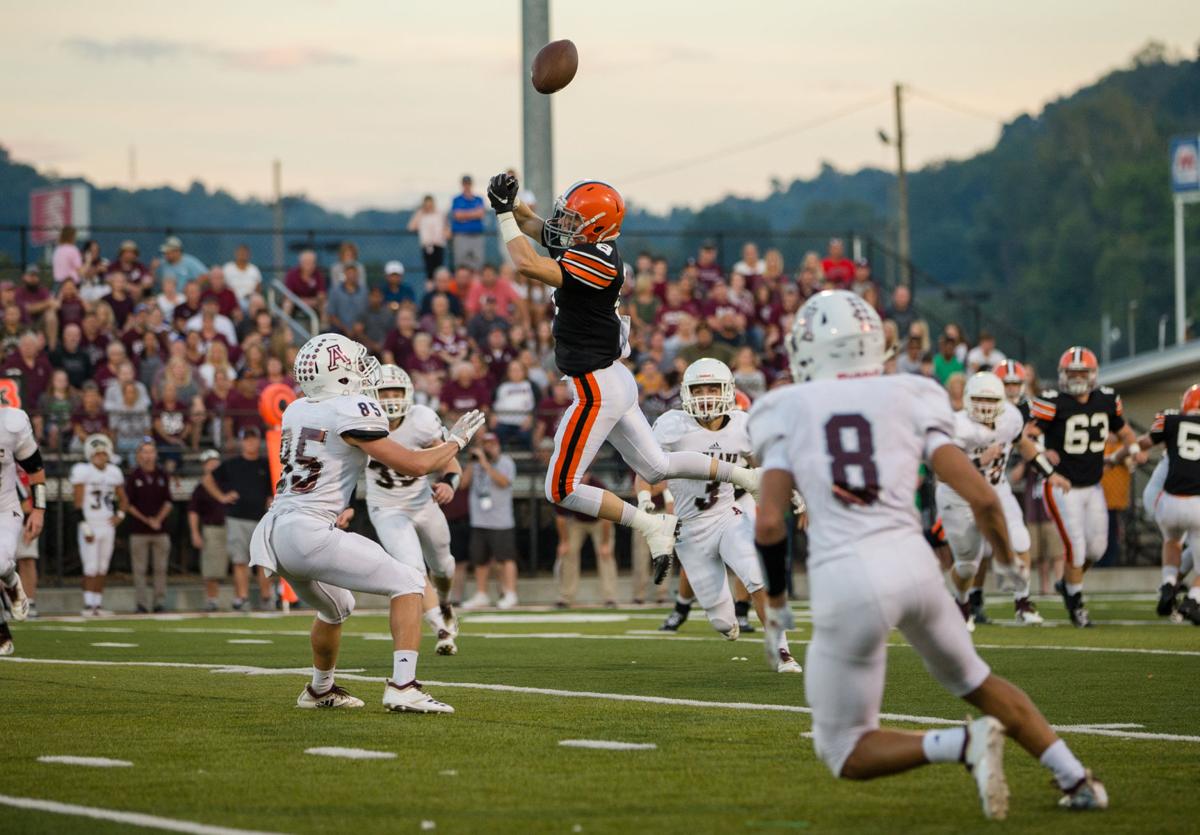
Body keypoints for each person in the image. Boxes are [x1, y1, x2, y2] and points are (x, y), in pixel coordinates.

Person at [749, 289, 1108, 817]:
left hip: (847, 577)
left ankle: (959, 745)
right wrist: (1009, 564)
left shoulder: (785, 406)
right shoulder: (910, 393)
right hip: (916, 567)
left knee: (844, 748)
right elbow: (984, 496)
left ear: (806, 350)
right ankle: (1076, 777)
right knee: (977, 681)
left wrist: (777, 601)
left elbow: (771, 519)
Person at [487, 172, 759, 568]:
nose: (562, 225)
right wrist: (509, 202)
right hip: (611, 378)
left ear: (594, 229)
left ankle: (649, 525)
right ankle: (746, 478)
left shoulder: (598, 262)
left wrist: (500, 215)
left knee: (560, 488)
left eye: (571, 220)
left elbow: (527, 264)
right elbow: (534, 224)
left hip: (597, 386)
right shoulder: (586, 243)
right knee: (657, 466)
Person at [248, 333, 485, 712]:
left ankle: (319, 689)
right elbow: (415, 464)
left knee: (336, 606)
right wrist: (456, 441)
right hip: (309, 532)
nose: (361, 370)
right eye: (353, 365)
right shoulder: (349, 409)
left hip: (276, 531)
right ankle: (403, 687)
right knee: (409, 581)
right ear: (338, 375)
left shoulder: (296, 409)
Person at [634, 358, 801, 673]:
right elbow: (646, 471)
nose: (707, 395)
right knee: (724, 623)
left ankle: (782, 651)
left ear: (728, 391)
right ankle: (728, 620)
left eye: (713, 388)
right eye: (699, 389)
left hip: (727, 516)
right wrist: (645, 501)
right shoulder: (672, 425)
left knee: (755, 576)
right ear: (686, 393)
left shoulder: (742, 424)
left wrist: (791, 491)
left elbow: (764, 463)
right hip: (690, 531)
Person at [1029, 348, 1143, 627]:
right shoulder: (1053, 402)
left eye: (1082, 373)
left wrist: (1135, 448)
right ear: (1062, 376)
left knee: (1097, 549)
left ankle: (1068, 583)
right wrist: (1044, 453)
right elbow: (1029, 436)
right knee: (1076, 548)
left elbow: (1124, 430)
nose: (1077, 378)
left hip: (1093, 486)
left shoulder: (1106, 399)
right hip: (1062, 486)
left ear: (1093, 375)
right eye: (1072, 373)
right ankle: (1077, 603)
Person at [935, 372, 1057, 629]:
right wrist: (980, 460)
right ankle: (961, 603)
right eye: (979, 399)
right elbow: (942, 471)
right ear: (968, 400)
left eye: (991, 401)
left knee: (1021, 539)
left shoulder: (1011, 417)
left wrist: (1049, 472)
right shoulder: (957, 425)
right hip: (959, 495)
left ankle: (1023, 603)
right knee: (968, 564)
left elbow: (1022, 444)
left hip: (994, 489)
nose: (985, 407)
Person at [366, 366, 462, 655]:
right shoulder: (363, 423)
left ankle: (444, 603)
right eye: (385, 392)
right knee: (413, 567)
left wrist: (448, 483)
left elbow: (449, 459)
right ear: (372, 395)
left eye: (396, 392)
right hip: (387, 507)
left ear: (408, 393)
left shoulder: (421, 420)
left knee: (443, 565)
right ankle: (441, 627)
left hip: (422, 502)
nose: (391, 399)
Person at [1136, 386, 1200, 623]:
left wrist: (1125, 454)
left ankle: (1169, 584)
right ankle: (1193, 599)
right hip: (1194, 501)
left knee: (1175, 542)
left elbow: (1144, 443)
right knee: (1192, 543)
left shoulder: (1171, 421)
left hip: (1167, 501)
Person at [203, 427, 275, 610]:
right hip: (237, 518)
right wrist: (221, 497)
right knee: (240, 560)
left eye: (254, 439)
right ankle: (242, 597)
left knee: (263, 562)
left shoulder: (266, 464)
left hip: (261, 519)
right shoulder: (231, 464)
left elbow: (276, 485)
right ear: (242, 442)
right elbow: (208, 480)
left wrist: (272, 497)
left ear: (259, 441)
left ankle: (266, 597)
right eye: (247, 439)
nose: (251, 443)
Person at [0, 406, 46, 654]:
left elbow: (36, 470)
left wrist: (39, 510)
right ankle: (1, 633)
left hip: (5, 509)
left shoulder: (11, 423)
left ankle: (11, 580)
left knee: (0, 563)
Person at [460, 432, 518, 609]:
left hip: (500, 520)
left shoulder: (506, 462)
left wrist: (485, 465)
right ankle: (481, 593)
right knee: (480, 560)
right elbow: (462, 484)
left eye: (491, 444)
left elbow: (503, 482)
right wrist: (472, 463)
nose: (488, 448)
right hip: (479, 519)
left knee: (505, 558)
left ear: (497, 445)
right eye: (484, 445)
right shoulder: (475, 464)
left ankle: (510, 592)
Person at [72, 434, 126, 616]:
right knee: (90, 566)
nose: (100, 456)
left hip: (107, 524)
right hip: (90, 523)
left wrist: (120, 514)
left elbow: (124, 499)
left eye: (103, 453)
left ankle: (98, 604)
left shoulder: (114, 472)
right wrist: (84, 526)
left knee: (103, 566)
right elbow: (77, 502)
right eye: (97, 454)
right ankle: (88, 604)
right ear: (90, 454)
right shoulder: (83, 471)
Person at [124, 441, 173, 613]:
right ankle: (142, 603)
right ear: (139, 455)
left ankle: (159, 602)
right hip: (139, 530)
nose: (148, 455)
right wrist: (147, 520)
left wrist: (157, 519)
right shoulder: (133, 476)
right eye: (144, 452)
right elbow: (128, 504)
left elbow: (168, 501)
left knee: (161, 569)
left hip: (160, 529)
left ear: (156, 454)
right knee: (139, 570)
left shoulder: (163, 475)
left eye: (151, 452)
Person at [554, 473, 616, 608]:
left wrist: (605, 544)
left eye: (583, 475)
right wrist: (564, 542)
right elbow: (560, 518)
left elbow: (607, 517)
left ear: (588, 475)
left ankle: (609, 596)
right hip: (577, 521)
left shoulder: (599, 487)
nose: (581, 479)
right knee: (568, 552)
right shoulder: (565, 488)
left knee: (605, 554)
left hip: (600, 520)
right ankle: (566, 596)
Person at [189, 450, 228, 611]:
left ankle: (242, 597)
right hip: (212, 528)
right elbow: (193, 511)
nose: (212, 465)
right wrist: (195, 533)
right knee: (211, 567)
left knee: (242, 563)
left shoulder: (228, 482)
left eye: (215, 462)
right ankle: (212, 599)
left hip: (231, 526)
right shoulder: (200, 487)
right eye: (209, 462)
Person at [450, 176, 487, 271]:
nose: (467, 186)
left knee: (478, 264)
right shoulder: (457, 199)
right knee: (461, 264)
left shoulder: (479, 199)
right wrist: (474, 213)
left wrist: (465, 214)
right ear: (462, 185)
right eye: (465, 183)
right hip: (461, 236)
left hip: (477, 236)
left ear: (471, 184)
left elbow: (481, 214)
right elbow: (457, 215)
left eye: (468, 183)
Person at [408, 196, 448, 278]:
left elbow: (446, 227)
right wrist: (420, 213)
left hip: (439, 244)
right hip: (427, 245)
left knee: (439, 269)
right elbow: (411, 227)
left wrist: (445, 234)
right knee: (429, 271)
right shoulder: (421, 214)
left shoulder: (439, 214)